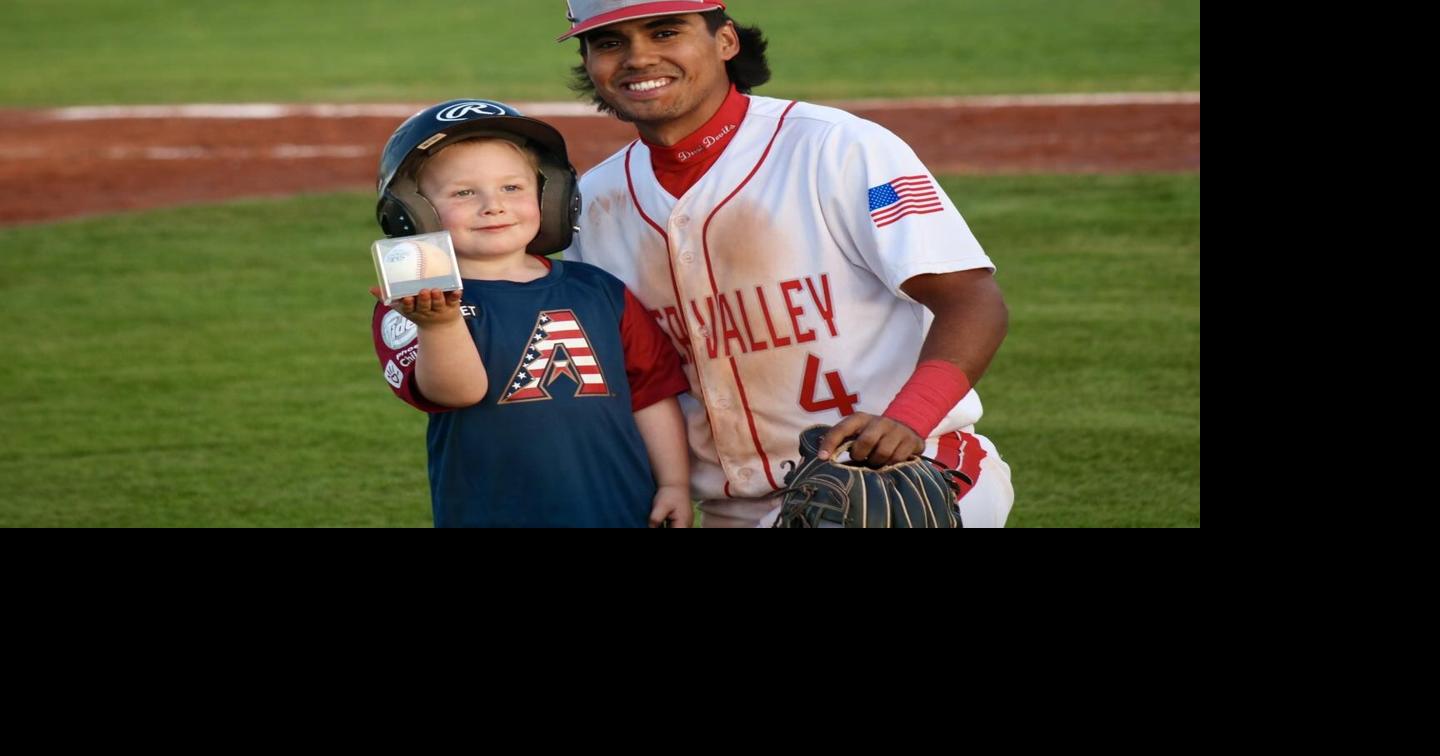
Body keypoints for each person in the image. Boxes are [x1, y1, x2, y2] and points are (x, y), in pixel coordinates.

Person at [558, 1, 1015, 527]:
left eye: (665, 32)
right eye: (610, 43)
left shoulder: (838, 147)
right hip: (729, 508)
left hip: (906, 471)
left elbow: (971, 298)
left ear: (726, 40)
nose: (639, 57)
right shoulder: (594, 202)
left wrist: (908, 420)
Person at [370, 99, 692, 527]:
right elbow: (457, 392)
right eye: (464, 192)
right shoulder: (417, 303)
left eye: (512, 188)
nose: (493, 205)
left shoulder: (598, 290)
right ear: (412, 211)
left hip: (621, 511)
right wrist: (440, 324)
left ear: (550, 194)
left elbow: (650, 395)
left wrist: (674, 484)